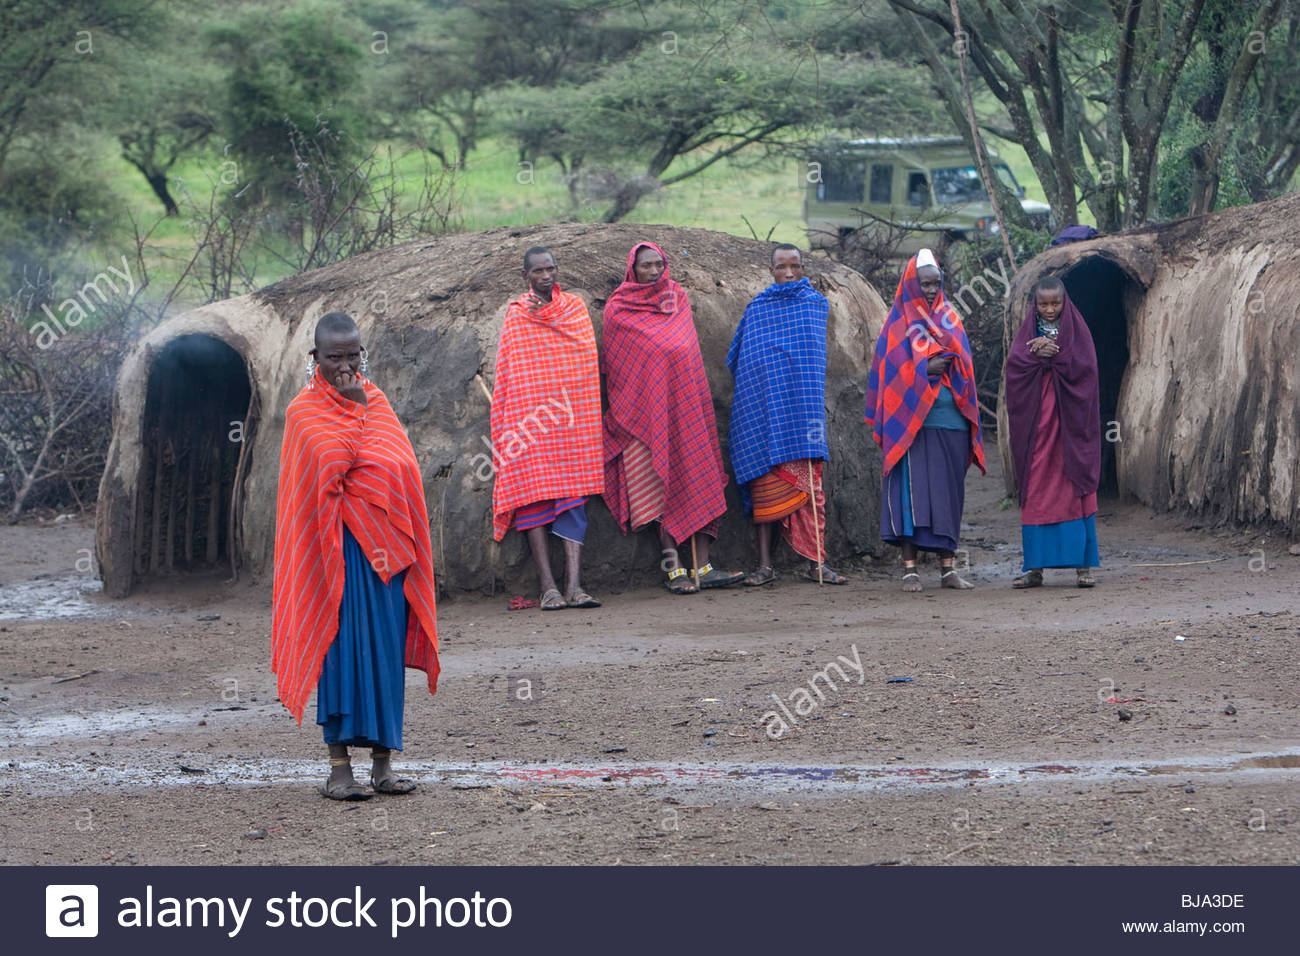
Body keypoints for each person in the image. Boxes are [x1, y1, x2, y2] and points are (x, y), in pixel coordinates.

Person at [271, 312, 439, 801]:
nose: (344, 365)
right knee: (341, 654)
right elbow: (329, 472)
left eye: (352, 355)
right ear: (315, 358)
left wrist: (360, 409)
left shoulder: (378, 402)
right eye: (333, 357)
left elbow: (399, 468)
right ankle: (339, 769)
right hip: (334, 556)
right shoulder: (303, 414)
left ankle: (383, 767)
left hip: (384, 556)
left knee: (383, 655)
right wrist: (348, 411)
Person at [602, 241, 744, 594]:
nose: (653, 272)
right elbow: (619, 368)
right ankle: (674, 569)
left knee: (696, 477)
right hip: (643, 417)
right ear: (632, 268)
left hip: (686, 411)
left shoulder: (676, 299)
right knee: (658, 488)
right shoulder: (619, 309)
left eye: (658, 265)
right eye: (646, 265)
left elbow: (686, 354)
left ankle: (704, 566)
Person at [490, 246, 604, 610]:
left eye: (551, 269)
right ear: (526, 277)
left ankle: (574, 585)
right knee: (531, 498)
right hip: (530, 425)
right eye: (538, 271)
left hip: (571, 422)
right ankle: (548, 587)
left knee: (573, 499)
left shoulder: (574, 309)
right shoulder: (517, 316)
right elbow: (511, 375)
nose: (546, 276)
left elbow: (584, 364)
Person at [727, 243, 847, 586]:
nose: (789, 273)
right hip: (764, 413)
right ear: (771, 271)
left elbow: (812, 363)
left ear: (803, 267)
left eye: (795, 266)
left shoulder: (814, 305)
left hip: (803, 415)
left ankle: (817, 563)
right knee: (765, 489)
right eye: (782, 267)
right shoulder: (758, 309)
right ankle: (765, 566)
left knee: (811, 491)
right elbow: (744, 362)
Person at [865, 249, 986, 591]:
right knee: (910, 494)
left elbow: (966, 370)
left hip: (951, 421)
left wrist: (947, 365)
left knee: (947, 493)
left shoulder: (951, 318)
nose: (932, 290)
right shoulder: (898, 323)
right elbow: (888, 374)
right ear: (911, 283)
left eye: (936, 283)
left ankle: (948, 570)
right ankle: (910, 569)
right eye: (925, 283)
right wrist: (923, 369)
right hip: (910, 424)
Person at [1005, 276, 1101, 588]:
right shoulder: (1027, 334)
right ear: (1035, 304)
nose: (1049, 309)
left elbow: (1086, 370)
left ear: (1065, 301)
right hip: (1038, 428)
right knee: (1036, 488)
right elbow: (1014, 368)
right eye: (1043, 304)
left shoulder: (1078, 331)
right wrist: (1035, 357)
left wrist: (1057, 355)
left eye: (1055, 303)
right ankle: (1034, 568)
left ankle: (1083, 568)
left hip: (1069, 429)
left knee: (1076, 488)